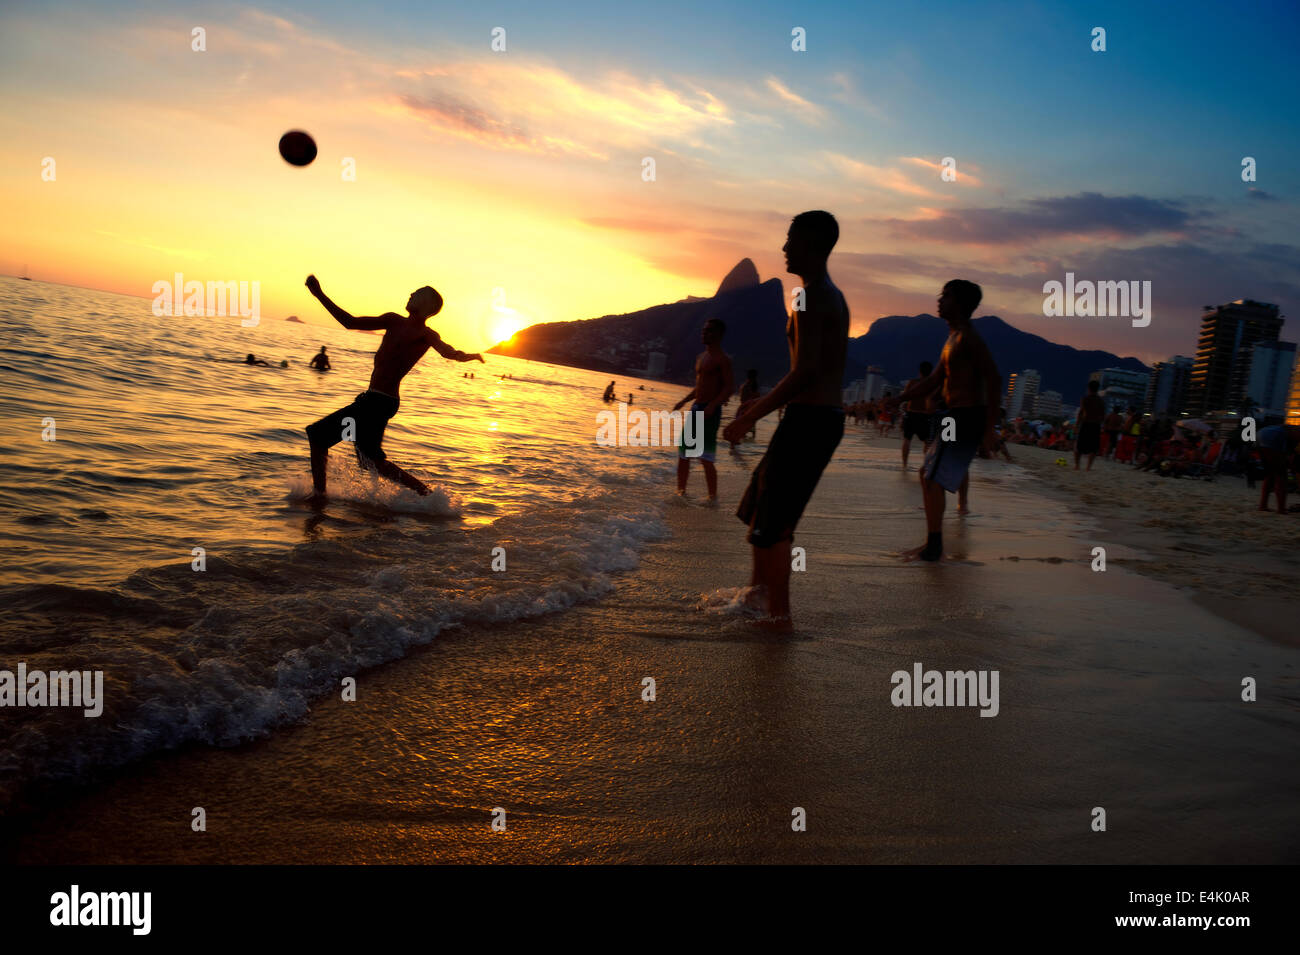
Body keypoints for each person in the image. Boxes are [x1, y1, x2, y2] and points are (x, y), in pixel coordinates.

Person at [722, 211, 848, 629]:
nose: (784, 247)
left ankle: (779, 618)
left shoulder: (816, 297)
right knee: (760, 507)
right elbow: (806, 367)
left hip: (811, 421)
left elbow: (806, 373)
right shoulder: (816, 295)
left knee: (775, 521)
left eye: (791, 239)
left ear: (812, 245)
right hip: (808, 417)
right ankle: (758, 595)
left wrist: (750, 414)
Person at [302, 274, 483, 500]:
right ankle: (429, 497)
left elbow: (449, 352)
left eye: (415, 294)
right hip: (374, 400)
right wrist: (319, 295)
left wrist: (470, 356)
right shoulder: (392, 320)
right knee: (370, 461)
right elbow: (350, 322)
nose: (410, 295)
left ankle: (319, 497)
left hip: (379, 402)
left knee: (318, 435)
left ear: (424, 303)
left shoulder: (426, 334)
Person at [890, 280, 1000, 561]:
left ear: (961, 304)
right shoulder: (953, 338)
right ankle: (932, 542)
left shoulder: (969, 338)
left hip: (966, 416)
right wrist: (900, 399)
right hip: (952, 416)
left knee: (933, 478)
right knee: (926, 475)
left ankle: (934, 547)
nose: (940, 300)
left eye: (946, 296)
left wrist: (989, 429)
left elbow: (994, 378)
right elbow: (934, 380)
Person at [673, 318, 734, 501]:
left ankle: (712, 497)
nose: (704, 333)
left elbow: (729, 387)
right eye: (703, 330)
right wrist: (683, 401)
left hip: (709, 412)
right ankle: (681, 492)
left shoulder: (722, 360)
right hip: (696, 409)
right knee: (684, 454)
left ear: (719, 335)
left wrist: (713, 405)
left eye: (709, 331)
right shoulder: (701, 357)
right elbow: (699, 387)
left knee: (705, 457)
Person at [900, 361, 936, 470]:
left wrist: (903, 413)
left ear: (919, 371)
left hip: (911, 413)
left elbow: (905, 397)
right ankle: (926, 465)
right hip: (925, 416)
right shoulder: (932, 385)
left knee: (907, 439)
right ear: (931, 372)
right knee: (927, 442)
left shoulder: (912, 382)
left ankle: (905, 465)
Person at [1256, 424, 1299, 513]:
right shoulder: (1296, 433)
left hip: (1260, 434)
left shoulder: (1292, 428)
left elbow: (1291, 454)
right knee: (1281, 475)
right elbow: (1292, 455)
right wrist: (1292, 467)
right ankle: (1281, 509)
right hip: (1272, 438)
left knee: (1270, 475)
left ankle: (1263, 505)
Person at [1074, 380, 1106, 470]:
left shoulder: (1086, 399)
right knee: (1093, 448)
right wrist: (1101, 425)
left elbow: (1081, 413)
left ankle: (1077, 465)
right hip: (1096, 425)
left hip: (1086, 424)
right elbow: (1103, 415)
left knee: (1079, 446)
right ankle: (1088, 467)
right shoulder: (1101, 401)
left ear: (1088, 388)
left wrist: (1077, 425)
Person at [730, 369, 761, 450]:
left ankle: (735, 450)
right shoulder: (751, 385)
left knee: (741, 430)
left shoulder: (745, 385)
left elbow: (744, 398)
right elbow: (754, 396)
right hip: (748, 410)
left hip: (743, 409)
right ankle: (739, 449)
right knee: (749, 432)